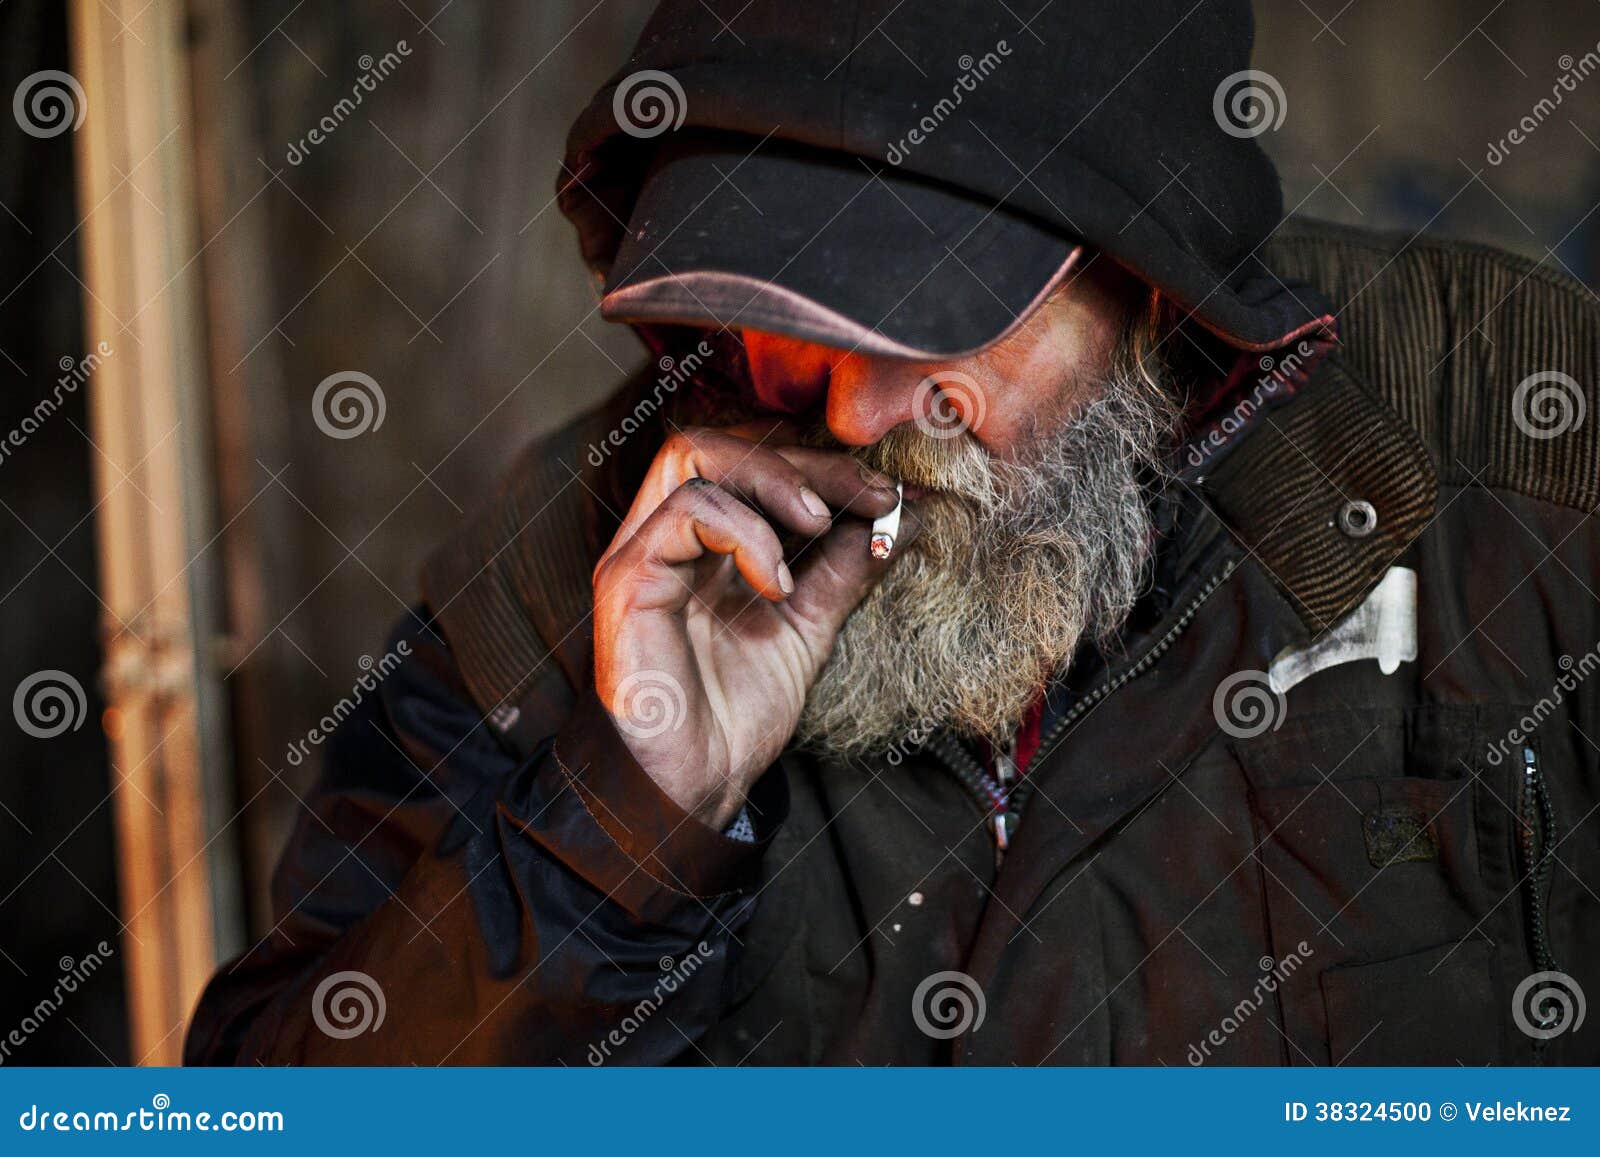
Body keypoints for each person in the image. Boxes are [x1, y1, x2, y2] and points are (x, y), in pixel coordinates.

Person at [186, 0, 1600, 1065]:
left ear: (1156, 282)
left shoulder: (1516, 452)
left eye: (933, 319)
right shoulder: (570, 566)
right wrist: (622, 825)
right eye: (793, 315)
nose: (855, 414)